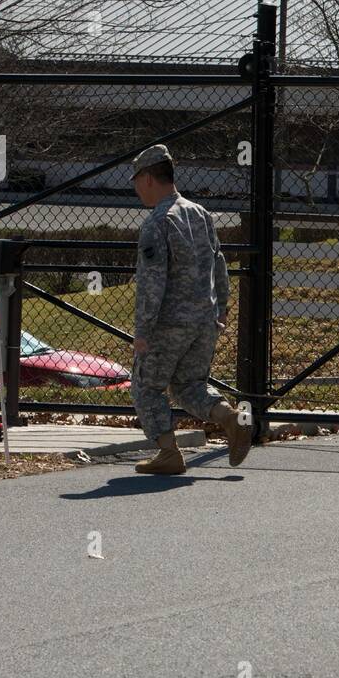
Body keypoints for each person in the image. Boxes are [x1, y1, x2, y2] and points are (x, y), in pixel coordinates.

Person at [128, 144, 250, 475]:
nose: (136, 188)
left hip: (169, 322)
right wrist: (221, 308)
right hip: (204, 320)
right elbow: (219, 263)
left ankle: (168, 452)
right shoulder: (200, 214)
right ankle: (231, 417)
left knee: (145, 384)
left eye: (136, 180)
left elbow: (152, 284)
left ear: (149, 179)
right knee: (187, 384)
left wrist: (143, 332)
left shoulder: (157, 223)